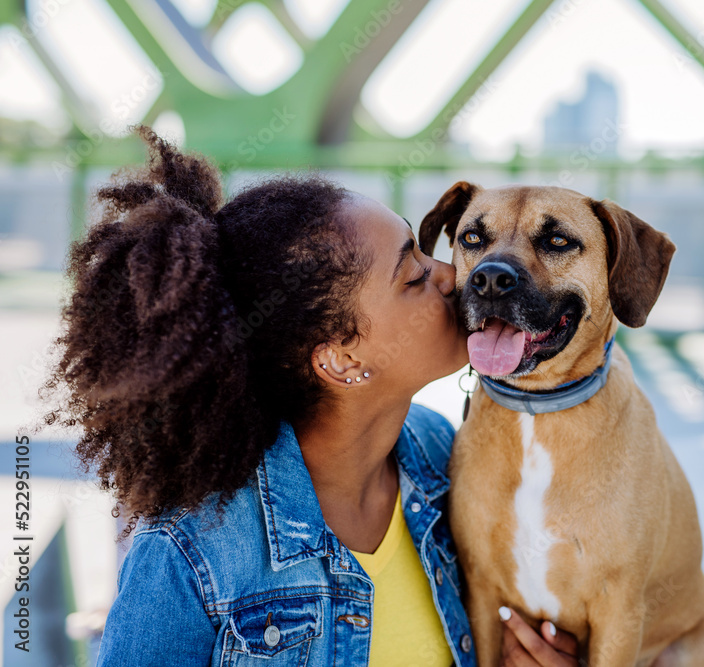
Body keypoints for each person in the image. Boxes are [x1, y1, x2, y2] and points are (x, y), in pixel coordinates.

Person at [39, 126, 581, 666]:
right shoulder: (188, 552)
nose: (451, 275)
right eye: (413, 275)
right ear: (340, 359)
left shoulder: (443, 455)